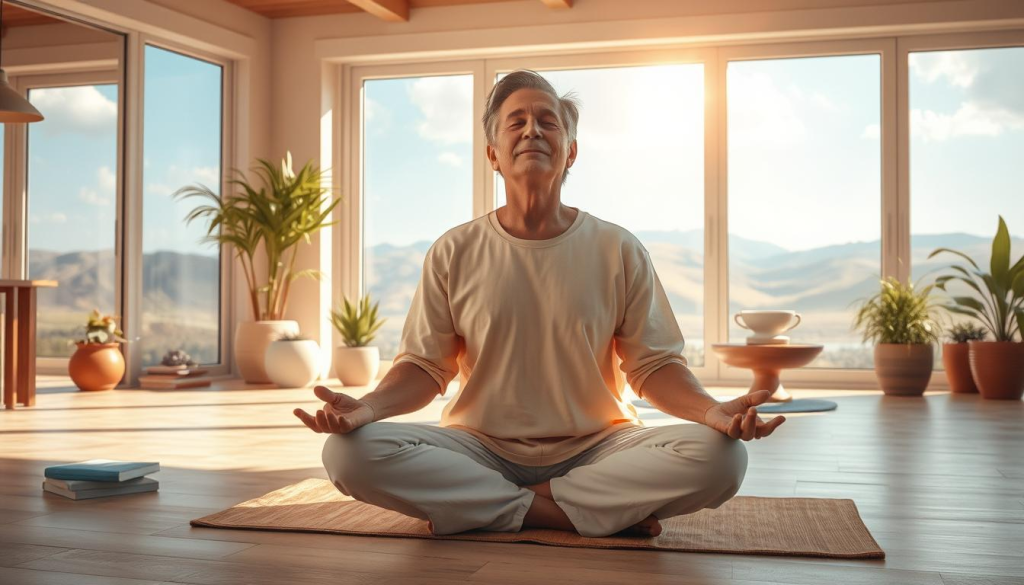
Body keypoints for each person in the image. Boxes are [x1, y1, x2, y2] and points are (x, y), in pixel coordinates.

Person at [295, 70, 785, 538]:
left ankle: (495, 506)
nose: (533, 130)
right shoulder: (453, 250)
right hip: (479, 447)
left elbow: (654, 366)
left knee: (722, 459)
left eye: (548, 121)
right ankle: (574, 511)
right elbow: (425, 368)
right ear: (493, 154)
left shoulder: (618, 248)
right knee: (347, 455)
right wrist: (368, 408)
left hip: (601, 445)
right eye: (517, 121)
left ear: (571, 151)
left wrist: (711, 412)